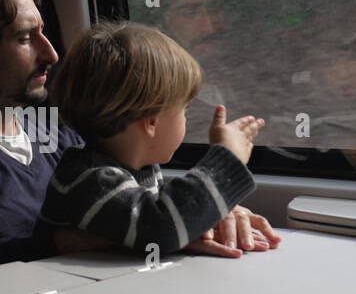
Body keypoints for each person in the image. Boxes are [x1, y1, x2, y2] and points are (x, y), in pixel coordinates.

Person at [0, 0, 279, 283]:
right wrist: (60, 244)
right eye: (25, 39)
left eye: (45, 33)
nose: (52, 54)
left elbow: (141, 204)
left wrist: (211, 213)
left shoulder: (65, 136)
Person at [38, 21, 280, 256]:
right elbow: (160, 228)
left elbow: (168, 210)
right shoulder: (90, 180)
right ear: (151, 121)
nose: (186, 119)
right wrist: (227, 159)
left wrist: (212, 215)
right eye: (184, 111)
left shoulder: (137, 172)